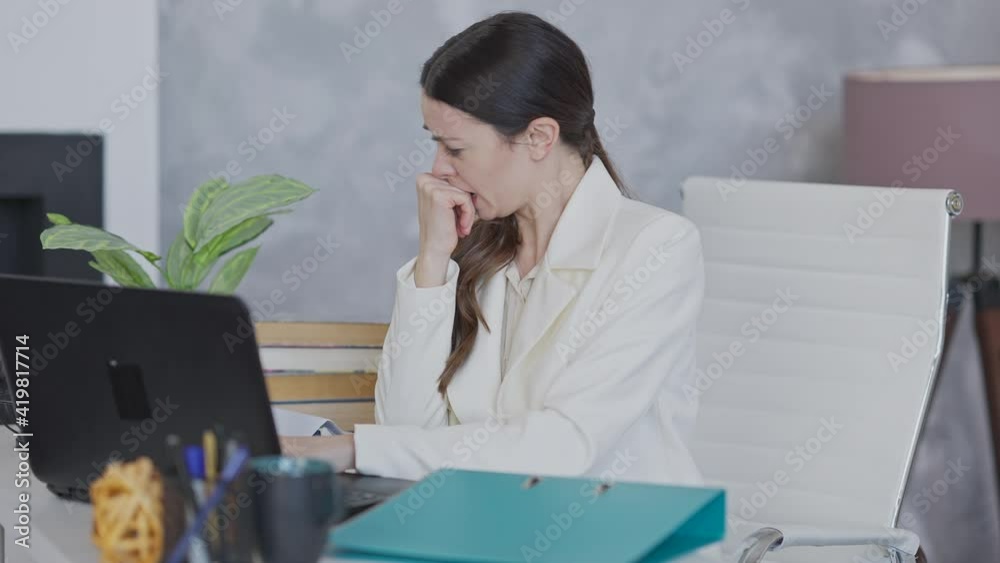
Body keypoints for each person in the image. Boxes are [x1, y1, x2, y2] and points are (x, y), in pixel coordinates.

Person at [282, 11, 705, 486]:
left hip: (617, 523)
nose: (437, 169)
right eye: (436, 145)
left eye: (455, 149)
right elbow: (405, 432)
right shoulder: (481, 254)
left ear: (539, 137)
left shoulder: (656, 248)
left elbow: (566, 447)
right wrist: (432, 262)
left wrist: (353, 448)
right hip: (484, 518)